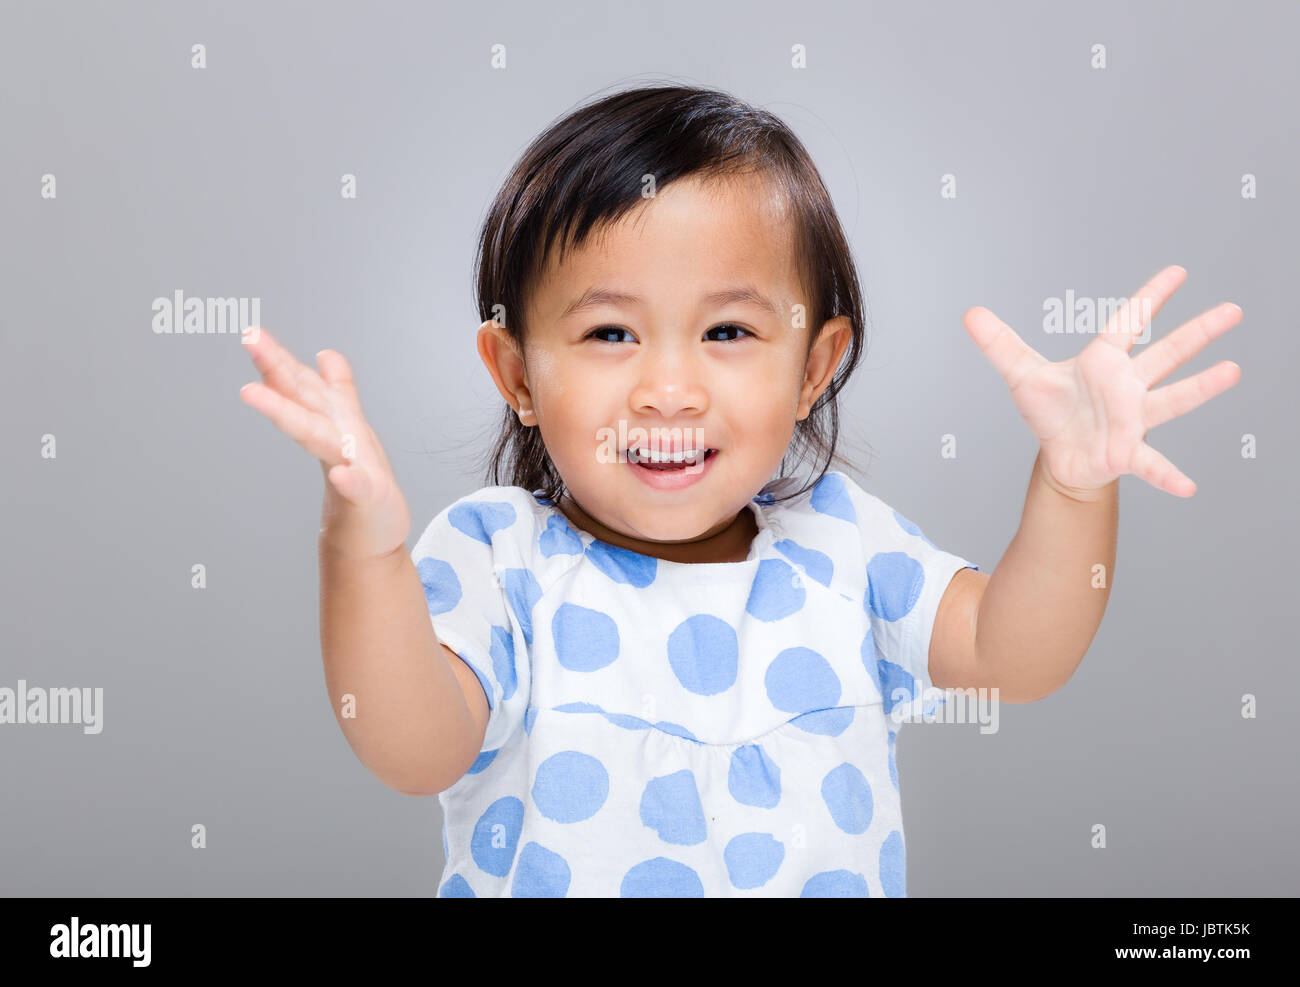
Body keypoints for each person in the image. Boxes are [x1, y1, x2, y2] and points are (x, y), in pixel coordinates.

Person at [237, 84, 1242, 896]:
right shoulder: (502, 557)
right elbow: (414, 749)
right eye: (608, 333)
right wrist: (362, 549)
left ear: (814, 366)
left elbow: (1013, 655)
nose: (669, 389)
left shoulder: (839, 542)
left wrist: (1072, 486)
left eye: (726, 332)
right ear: (515, 375)